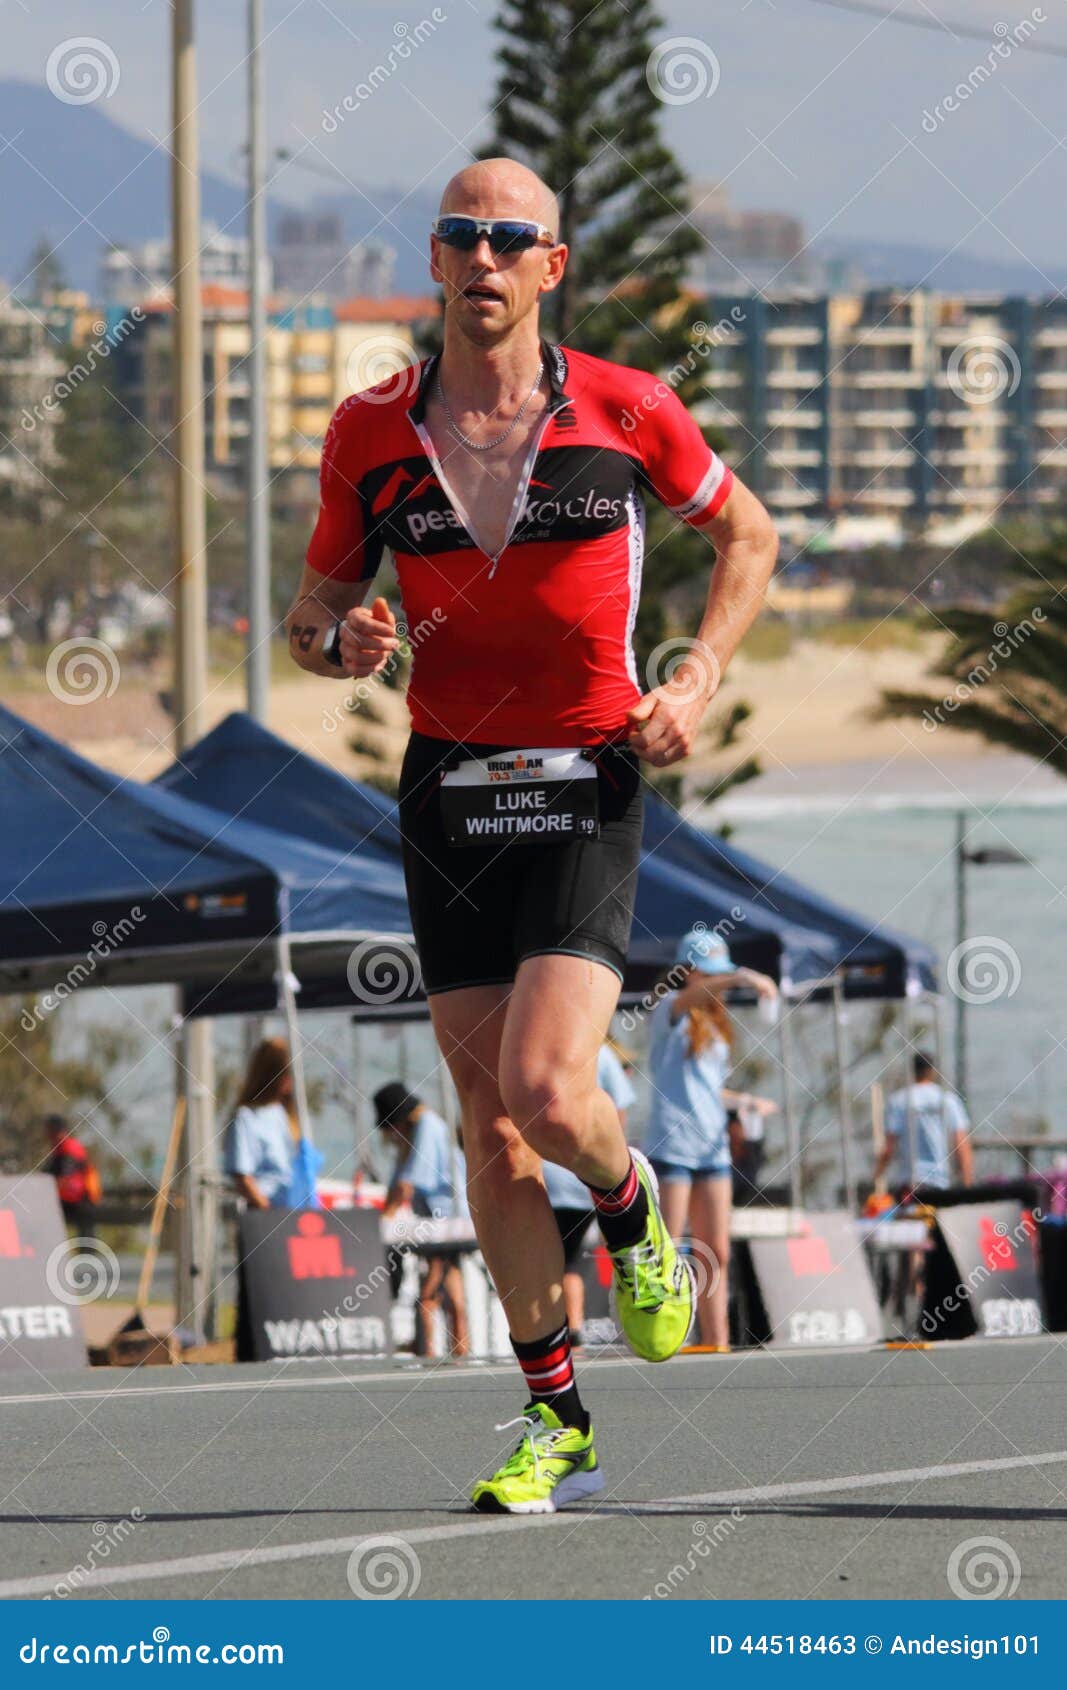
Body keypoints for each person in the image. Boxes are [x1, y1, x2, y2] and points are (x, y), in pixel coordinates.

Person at [287, 155, 778, 1512]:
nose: (485, 261)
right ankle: (555, 1415)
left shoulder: (625, 408)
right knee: (489, 1128)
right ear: (434, 263)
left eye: (512, 240)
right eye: (462, 237)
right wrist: (346, 642)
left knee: (552, 1090)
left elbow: (747, 534)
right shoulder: (369, 430)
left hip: (587, 774)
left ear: (549, 266)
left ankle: (634, 1225)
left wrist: (690, 681)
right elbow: (307, 620)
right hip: (448, 789)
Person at [644, 930, 778, 1349]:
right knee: (670, 1247)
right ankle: (666, 1335)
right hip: (673, 1145)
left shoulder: (715, 1022)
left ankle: (716, 1339)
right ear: (689, 971)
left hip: (711, 1146)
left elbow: (709, 1088)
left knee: (716, 1249)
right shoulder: (668, 1008)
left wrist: (746, 1101)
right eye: (710, 974)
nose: (717, 983)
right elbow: (688, 999)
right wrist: (740, 977)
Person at [542, 1044, 636, 1347]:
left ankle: (567, 1329)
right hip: (583, 1179)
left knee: (561, 1260)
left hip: (556, 1180)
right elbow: (619, 1113)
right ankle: (575, 1328)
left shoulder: (539, 1050)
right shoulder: (601, 1053)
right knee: (574, 1260)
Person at [376, 1082, 470, 1359]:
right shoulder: (420, 1129)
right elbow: (400, 1182)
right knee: (449, 1277)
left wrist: (384, 1220)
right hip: (440, 1216)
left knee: (432, 1285)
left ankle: (429, 1347)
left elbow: (407, 1183)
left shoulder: (427, 1126)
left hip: (445, 1218)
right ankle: (458, 1346)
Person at [876, 1052, 973, 1196]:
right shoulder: (948, 1100)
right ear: (932, 1071)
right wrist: (967, 1184)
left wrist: (877, 1174)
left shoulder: (898, 1101)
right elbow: (962, 1145)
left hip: (909, 1184)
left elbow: (889, 1148)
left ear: (911, 1071)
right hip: (940, 1182)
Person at [223, 1037, 299, 1210]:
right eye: (286, 1074)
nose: (291, 1081)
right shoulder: (246, 1117)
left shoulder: (287, 1115)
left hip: (293, 1212)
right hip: (265, 1216)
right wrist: (268, 1212)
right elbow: (242, 1177)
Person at [44, 1115, 100, 1236]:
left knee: (86, 1237)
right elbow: (48, 1175)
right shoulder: (59, 1149)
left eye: (50, 1131)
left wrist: (48, 1192)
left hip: (82, 1200)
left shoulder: (71, 1148)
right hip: (68, 1200)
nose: (48, 1136)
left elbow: (65, 1176)